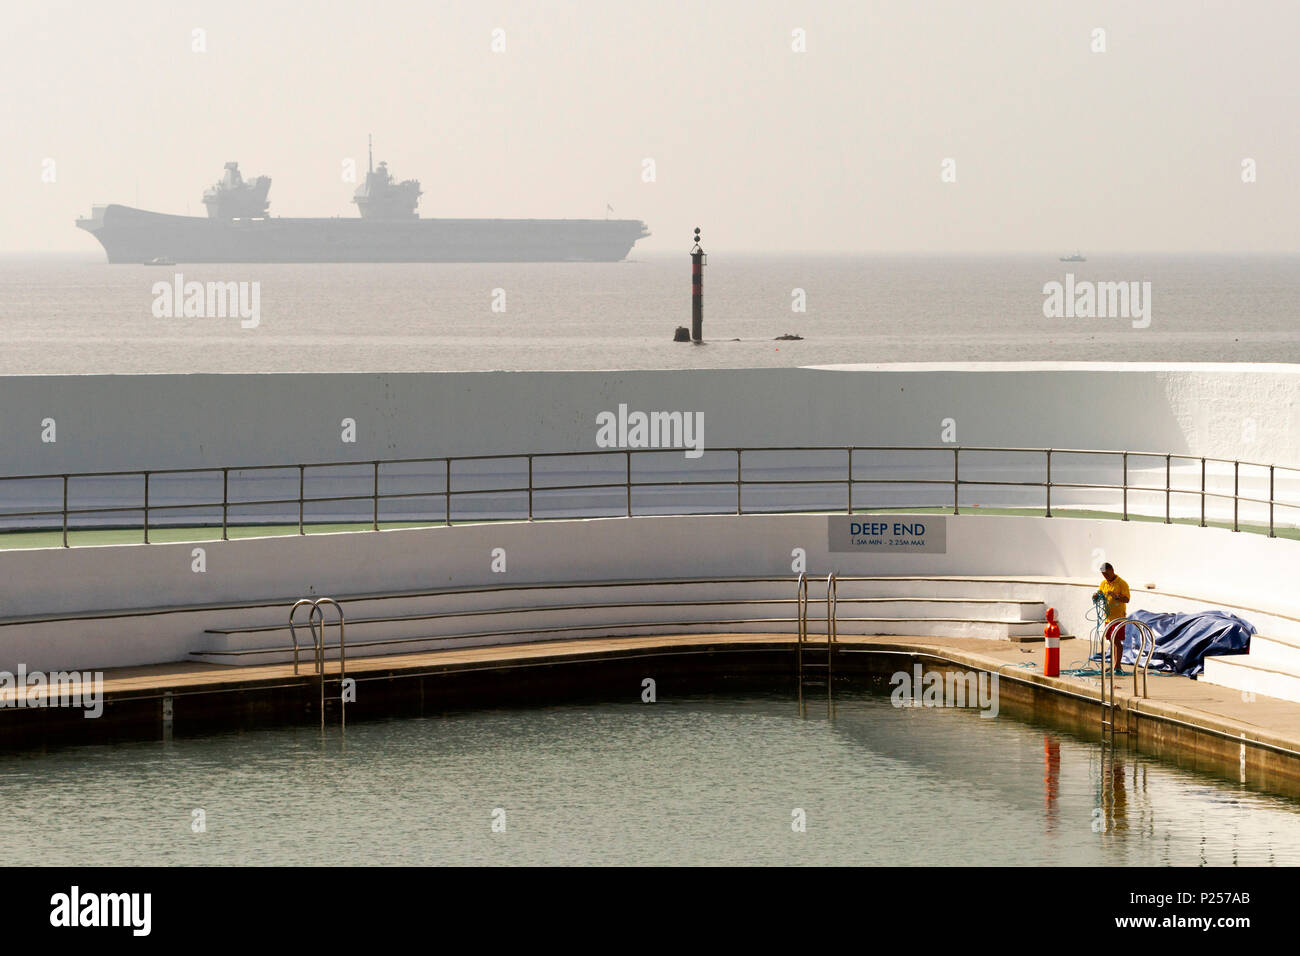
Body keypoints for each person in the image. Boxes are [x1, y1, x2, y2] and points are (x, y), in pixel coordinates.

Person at [1095, 562, 1131, 674]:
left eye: (1106, 574)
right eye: (1103, 575)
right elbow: (1099, 594)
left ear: (1112, 570)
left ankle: (1118, 665)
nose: (1105, 576)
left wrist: (1116, 596)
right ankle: (1114, 664)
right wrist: (1096, 597)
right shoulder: (1103, 583)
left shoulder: (1122, 583)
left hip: (1118, 617)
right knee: (1111, 640)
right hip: (1108, 618)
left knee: (1116, 640)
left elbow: (1127, 599)